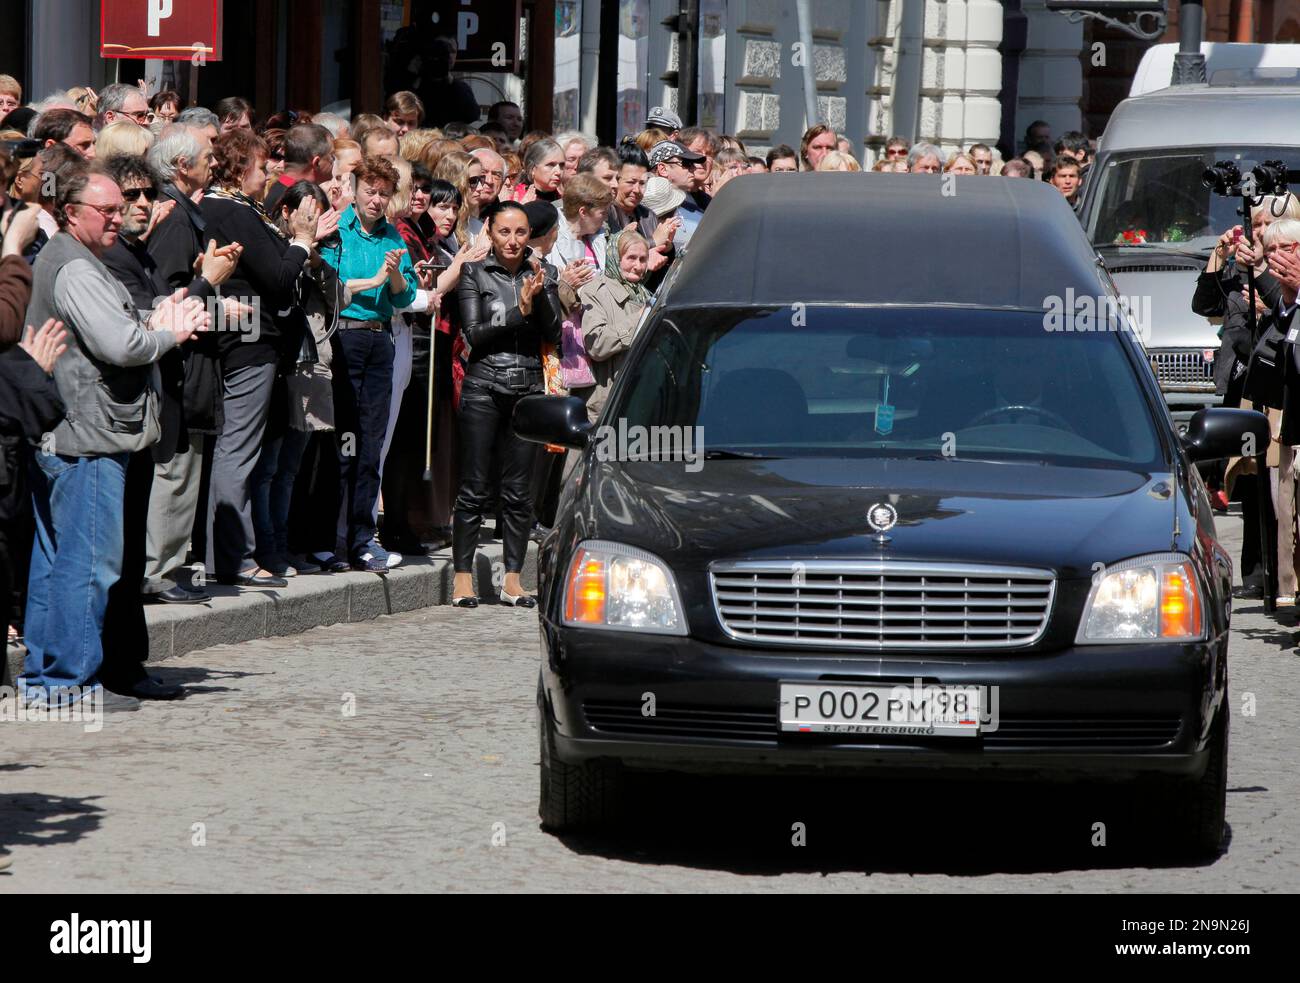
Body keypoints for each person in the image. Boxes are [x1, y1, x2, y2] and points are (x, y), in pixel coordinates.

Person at [20, 165, 209, 711]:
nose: (117, 217)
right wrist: (168, 333)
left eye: (117, 208)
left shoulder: (76, 260)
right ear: (70, 212)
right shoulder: (76, 268)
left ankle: (47, 678)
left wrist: (155, 321)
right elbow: (121, 345)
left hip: (74, 432)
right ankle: (67, 683)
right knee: (88, 564)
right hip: (89, 436)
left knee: (57, 560)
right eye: (105, 210)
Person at [201, 128, 329, 588]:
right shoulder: (230, 211)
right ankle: (233, 557)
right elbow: (277, 277)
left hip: (255, 339)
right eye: (263, 164)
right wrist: (299, 241)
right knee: (239, 449)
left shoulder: (240, 210)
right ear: (240, 169)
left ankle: (233, 554)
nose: (272, 171)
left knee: (242, 449)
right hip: (248, 342)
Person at [452, 201, 561, 608]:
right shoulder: (474, 273)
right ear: (491, 234)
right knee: (475, 486)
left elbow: (554, 333)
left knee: (519, 491)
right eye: (504, 232)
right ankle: (463, 576)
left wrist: (543, 291)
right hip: (484, 386)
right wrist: (520, 310)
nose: (513, 241)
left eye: (520, 233)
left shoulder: (542, 272)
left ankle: (512, 579)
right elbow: (476, 333)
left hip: (528, 386)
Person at [142, 123, 232, 603]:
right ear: (181, 165)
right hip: (178, 365)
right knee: (175, 467)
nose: (214, 162)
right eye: (206, 155)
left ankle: (168, 565)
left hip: (188, 362)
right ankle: (161, 570)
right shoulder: (175, 220)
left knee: (183, 465)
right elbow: (168, 299)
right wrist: (213, 291)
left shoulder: (181, 215)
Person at [319, 155, 418, 572]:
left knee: (370, 442)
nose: (376, 200)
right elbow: (330, 286)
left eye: (383, 193)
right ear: (355, 191)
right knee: (342, 440)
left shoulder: (394, 237)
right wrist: (375, 280)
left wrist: (393, 275)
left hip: (380, 339)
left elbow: (403, 297)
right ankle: (330, 540)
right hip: (344, 336)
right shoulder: (338, 230)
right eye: (370, 191)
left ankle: (362, 539)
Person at [252, 180, 343, 577]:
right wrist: (298, 248)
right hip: (276, 363)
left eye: (319, 214)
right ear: (286, 213)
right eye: (307, 213)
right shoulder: (272, 246)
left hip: (311, 364)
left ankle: (286, 544)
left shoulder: (316, 255)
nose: (314, 222)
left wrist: (316, 259)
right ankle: (263, 548)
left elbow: (342, 300)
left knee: (292, 466)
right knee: (267, 466)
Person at [577, 227, 651, 423]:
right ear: (614, 258)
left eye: (643, 259)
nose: (638, 265)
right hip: (606, 401)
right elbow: (597, 345)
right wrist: (639, 318)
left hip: (639, 397)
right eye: (631, 258)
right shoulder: (595, 291)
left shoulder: (646, 295)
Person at [264, 123, 335, 215]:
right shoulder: (299, 199)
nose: (334, 161)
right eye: (331, 156)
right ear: (316, 162)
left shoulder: (281, 184)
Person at [648, 140, 707, 244]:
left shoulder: (695, 209)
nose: (694, 169)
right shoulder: (643, 211)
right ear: (663, 169)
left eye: (693, 164)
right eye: (686, 163)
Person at [417, 36, 482, 127]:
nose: (449, 55)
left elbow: (472, 116)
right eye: (441, 51)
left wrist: (452, 83)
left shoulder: (460, 88)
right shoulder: (415, 84)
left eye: (452, 51)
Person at [516, 137, 565, 203]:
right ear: (532, 169)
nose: (558, 172)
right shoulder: (516, 198)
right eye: (551, 165)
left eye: (561, 165)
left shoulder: (565, 202)